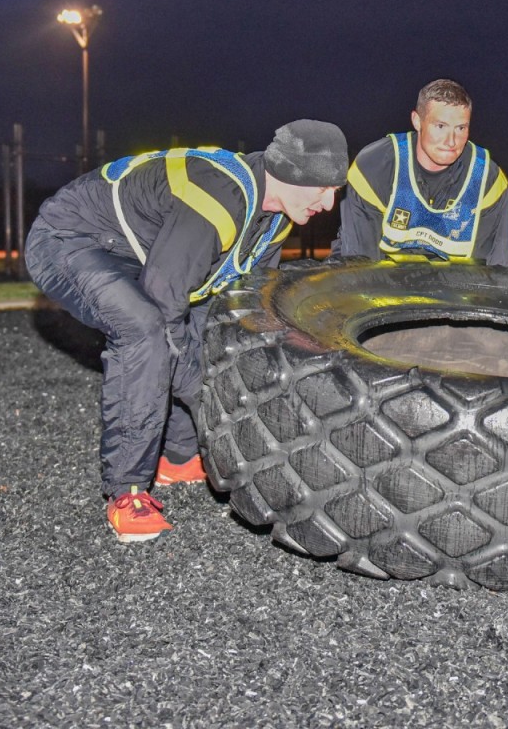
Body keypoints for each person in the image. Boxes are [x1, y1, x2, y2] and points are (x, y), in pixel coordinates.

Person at [25, 120, 348, 542]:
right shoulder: (216, 197)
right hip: (71, 240)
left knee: (206, 333)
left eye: (336, 192)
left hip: (143, 253)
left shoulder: (275, 220)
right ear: (290, 173)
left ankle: (178, 458)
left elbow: (238, 312)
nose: (327, 205)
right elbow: (164, 303)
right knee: (146, 330)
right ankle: (127, 490)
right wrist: (208, 400)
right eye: (321, 190)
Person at [331, 79, 508, 265]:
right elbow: (361, 263)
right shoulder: (374, 167)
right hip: (379, 282)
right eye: (440, 126)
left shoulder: (487, 180)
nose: (451, 141)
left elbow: (490, 270)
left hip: (448, 288)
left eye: (461, 128)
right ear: (417, 121)